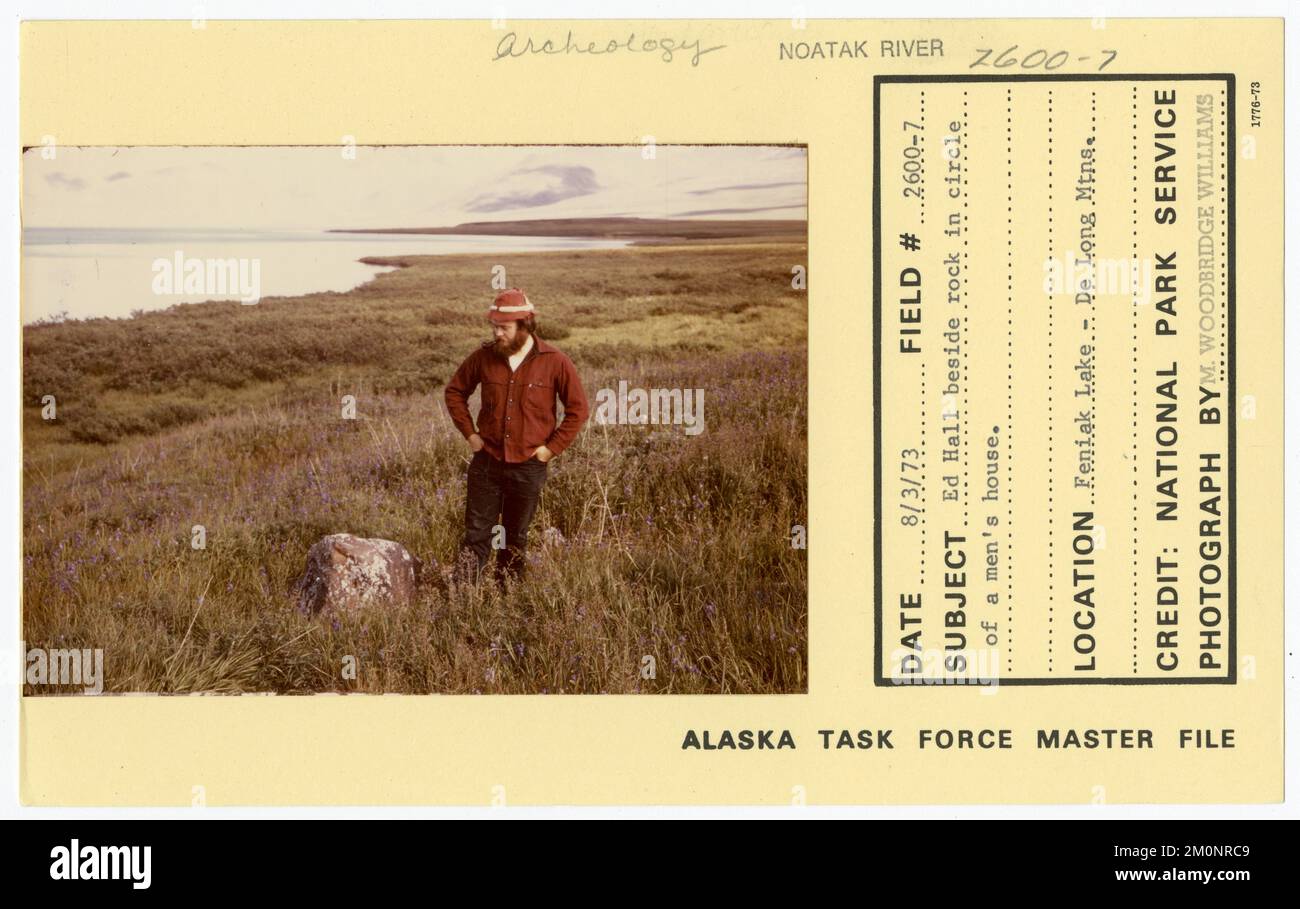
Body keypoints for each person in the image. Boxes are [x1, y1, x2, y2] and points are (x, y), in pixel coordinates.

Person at [443, 288, 589, 584]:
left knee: (515, 537)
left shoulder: (555, 361)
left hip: (528, 466)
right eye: (494, 326)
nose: (497, 333)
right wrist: (471, 435)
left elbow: (578, 409)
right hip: (487, 463)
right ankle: (462, 601)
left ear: (525, 326)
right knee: (476, 535)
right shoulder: (483, 358)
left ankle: (507, 595)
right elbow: (454, 392)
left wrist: (550, 450)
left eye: (504, 327)